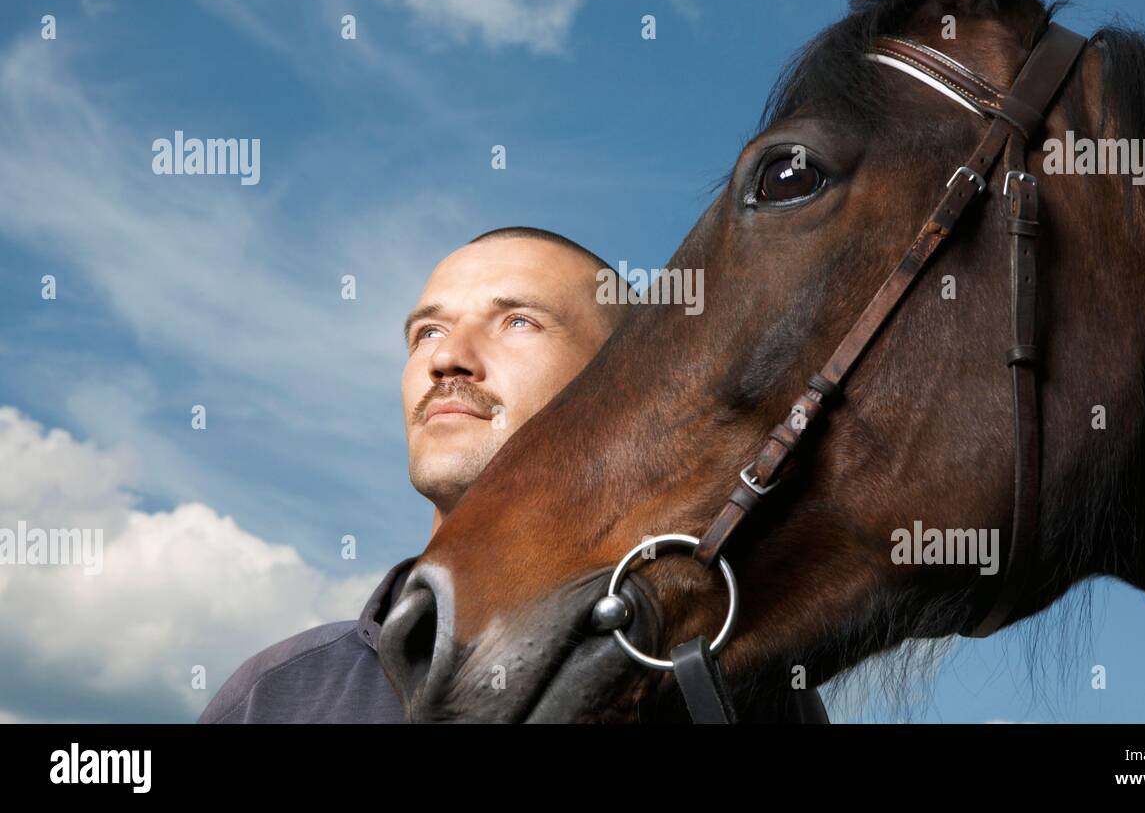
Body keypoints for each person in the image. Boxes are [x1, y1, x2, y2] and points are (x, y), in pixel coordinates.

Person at [198, 227, 827, 723]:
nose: (446, 358)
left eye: (517, 321)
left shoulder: (741, 694)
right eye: (427, 332)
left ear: (629, 388)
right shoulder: (274, 697)